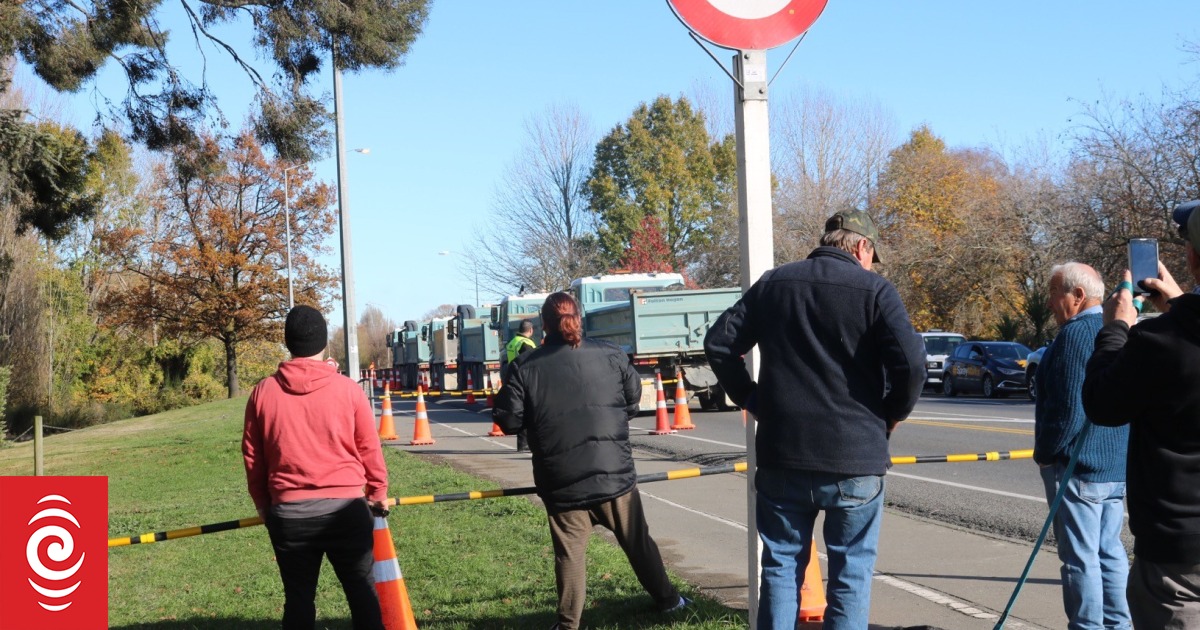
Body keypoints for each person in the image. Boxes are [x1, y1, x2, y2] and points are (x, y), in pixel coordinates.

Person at [704, 209, 926, 629]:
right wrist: (891, 414)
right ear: (862, 246)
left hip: (782, 454)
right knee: (851, 574)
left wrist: (749, 396)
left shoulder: (774, 284)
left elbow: (718, 343)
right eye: (871, 254)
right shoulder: (875, 291)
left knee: (781, 566)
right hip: (855, 457)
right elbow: (912, 367)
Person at [492, 292, 686, 630]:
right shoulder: (610, 354)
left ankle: (568, 624)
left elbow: (508, 421)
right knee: (638, 542)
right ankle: (669, 601)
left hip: (562, 480)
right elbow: (632, 401)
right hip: (615, 475)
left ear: (544, 326)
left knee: (570, 555)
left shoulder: (524, 367)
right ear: (578, 318)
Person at [1082, 199, 1200, 629]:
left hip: (1178, 556)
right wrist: (1182, 306)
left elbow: (1102, 403)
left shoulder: (1158, 342)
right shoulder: (1173, 334)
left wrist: (1115, 328)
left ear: (1190, 257)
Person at [243, 305, 391, 630]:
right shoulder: (348, 389)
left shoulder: (262, 393)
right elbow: (369, 447)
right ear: (324, 343)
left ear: (288, 343)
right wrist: (378, 492)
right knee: (361, 593)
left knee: (298, 599)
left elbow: (253, 458)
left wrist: (264, 507)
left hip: (289, 516)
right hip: (348, 510)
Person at [1033, 262, 1131, 630]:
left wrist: (1045, 454)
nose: (1049, 302)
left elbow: (1069, 410)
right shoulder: (1116, 328)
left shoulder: (1075, 335)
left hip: (1080, 466)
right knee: (1109, 552)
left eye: (1054, 293)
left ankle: (1087, 626)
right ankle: (1118, 625)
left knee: (1080, 558)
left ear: (1077, 296)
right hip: (1112, 467)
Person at [504, 319, 538, 451]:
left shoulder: (512, 342)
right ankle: (525, 443)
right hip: (525, 379)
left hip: (514, 378)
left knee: (522, 411)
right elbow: (530, 362)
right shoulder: (525, 343)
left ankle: (522, 443)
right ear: (530, 330)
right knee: (529, 411)